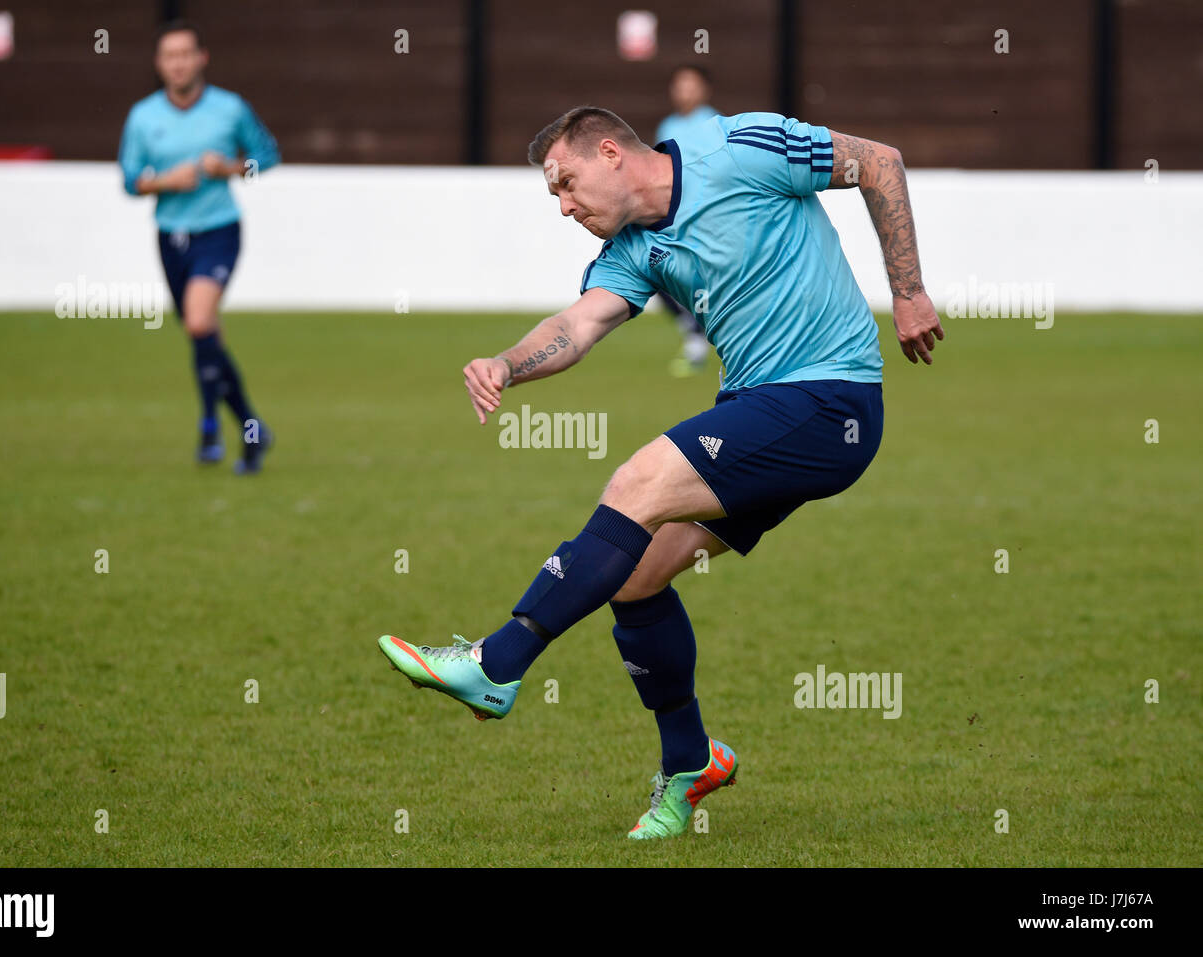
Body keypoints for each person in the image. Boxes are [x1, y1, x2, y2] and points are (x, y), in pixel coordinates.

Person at [379, 106, 944, 839]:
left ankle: (497, 662)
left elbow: (880, 161)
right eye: (555, 197)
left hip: (830, 397)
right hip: (759, 407)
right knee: (636, 574)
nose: (564, 207)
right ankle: (690, 763)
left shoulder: (739, 146)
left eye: (568, 184)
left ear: (611, 152)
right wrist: (505, 365)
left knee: (635, 483)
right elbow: (577, 325)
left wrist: (906, 291)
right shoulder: (634, 247)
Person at [118, 19, 280, 473]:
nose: (178, 63)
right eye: (169, 56)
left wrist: (232, 168)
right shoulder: (143, 117)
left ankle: (209, 423)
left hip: (219, 230)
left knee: (198, 320)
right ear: (159, 64)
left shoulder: (229, 109)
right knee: (205, 334)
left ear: (201, 58)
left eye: (186, 54)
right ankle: (252, 430)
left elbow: (266, 155)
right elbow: (130, 180)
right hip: (171, 235)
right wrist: (164, 181)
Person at [655, 65, 719, 377]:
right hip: (674, 216)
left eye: (690, 85)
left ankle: (705, 338)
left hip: (705, 214)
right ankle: (694, 330)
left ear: (704, 89)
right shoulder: (667, 125)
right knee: (657, 273)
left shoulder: (713, 123)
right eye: (679, 85)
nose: (684, 91)